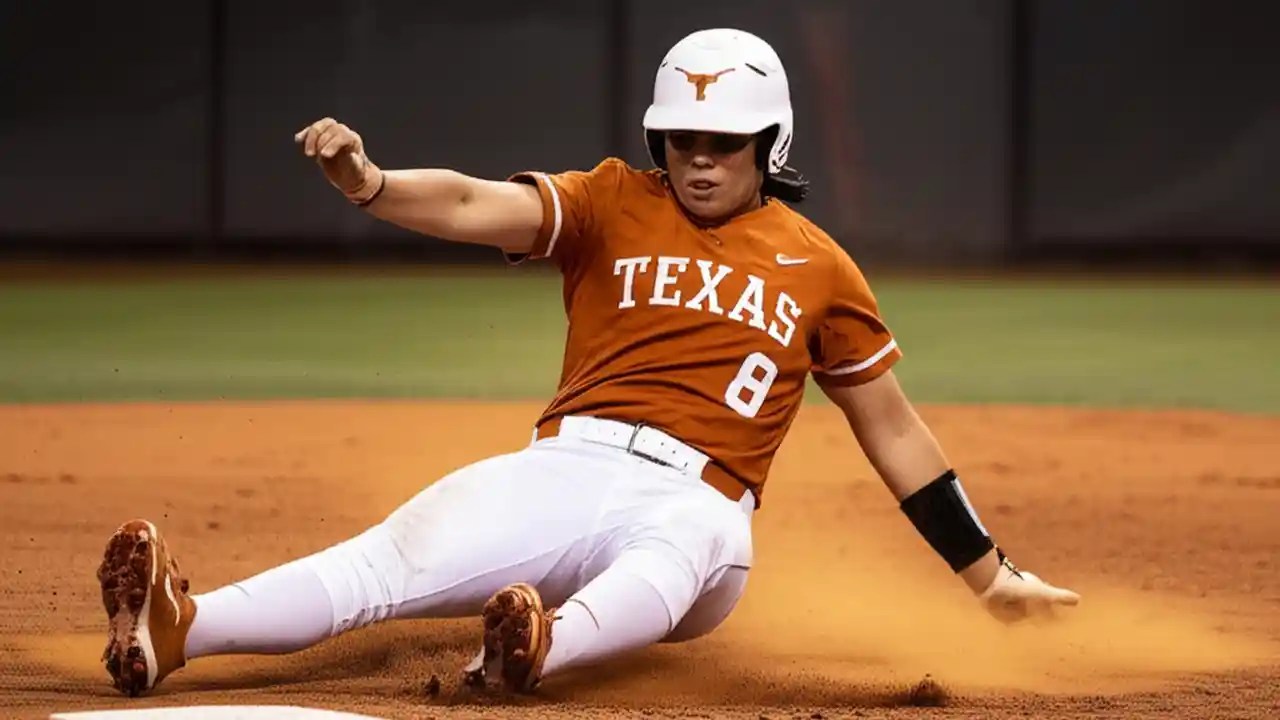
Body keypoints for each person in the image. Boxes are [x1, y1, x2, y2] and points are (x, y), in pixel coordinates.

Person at [95, 28, 1079, 698]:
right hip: (565, 467)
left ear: (769, 144)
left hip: (703, 501)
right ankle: (182, 627)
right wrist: (372, 182)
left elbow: (893, 428)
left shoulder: (819, 266)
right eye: (682, 138)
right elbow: (480, 206)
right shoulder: (613, 200)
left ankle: (539, 648)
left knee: (678, 545)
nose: (699, 159)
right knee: (393, 558)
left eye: (724, 143)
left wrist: (988, 578)